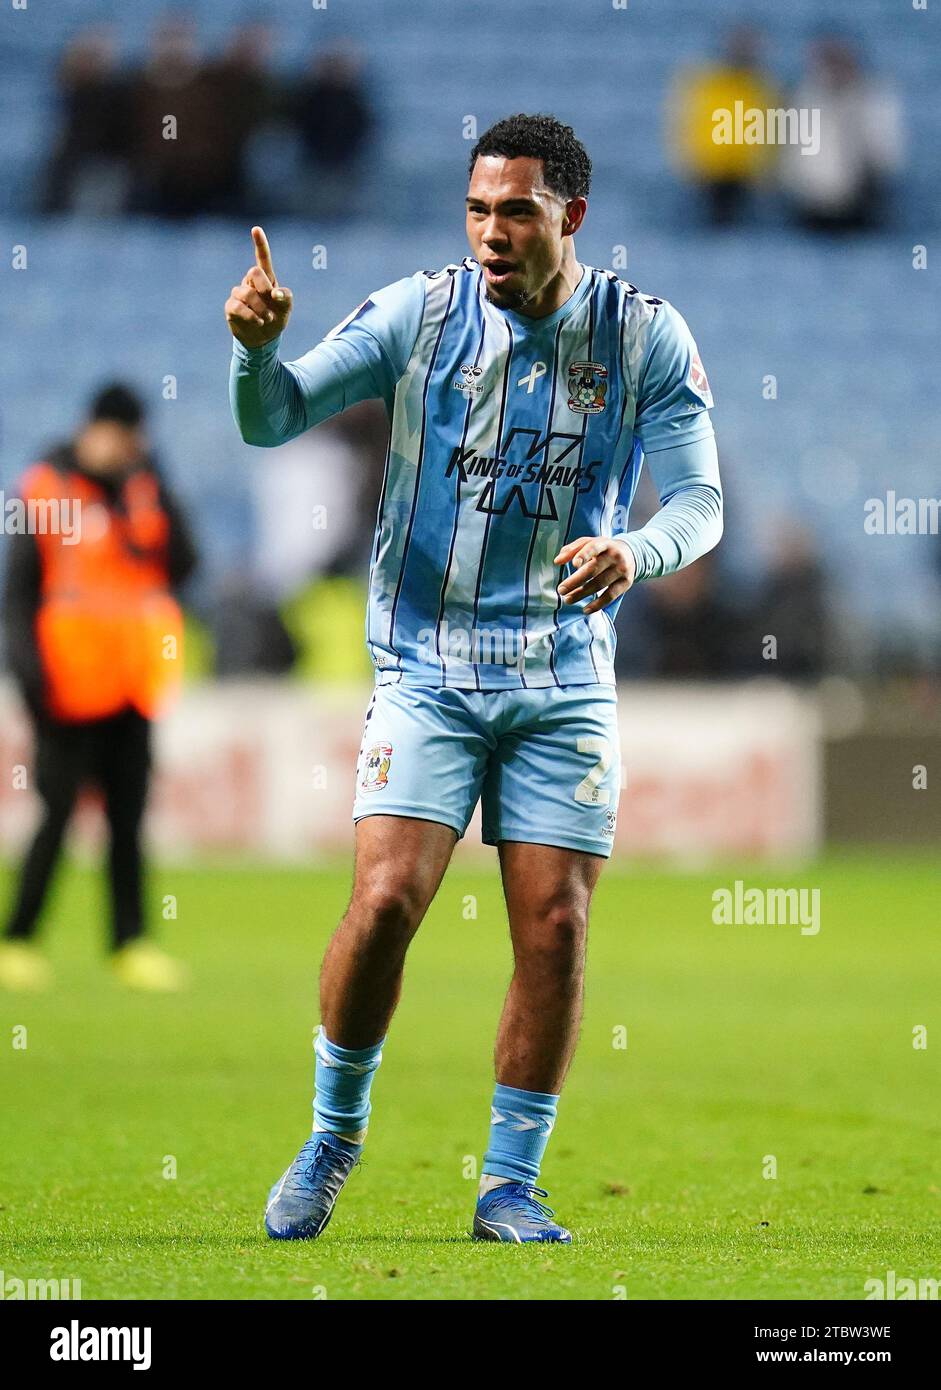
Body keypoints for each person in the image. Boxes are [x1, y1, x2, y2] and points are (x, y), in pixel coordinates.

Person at [227, 112, 723, 1243]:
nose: (490, 234)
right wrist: (254, 353)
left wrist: (632, 550)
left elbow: (700, 502)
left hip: (562, 672)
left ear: (570, 217)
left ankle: (507, 1183)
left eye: (515, 211)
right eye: (476, 209)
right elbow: (272, 419)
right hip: (425, 666)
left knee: (552, 928)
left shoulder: (641, 336)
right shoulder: (419, 314)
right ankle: (333, 1132)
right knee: (386, 899)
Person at [0, 385, 197, 993]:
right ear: (94, 429)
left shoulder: (144, 490)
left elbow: (186, 565)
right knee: (56, 816)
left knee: (129, 821)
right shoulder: (43, 489)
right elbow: (19, 596)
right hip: (65, 690)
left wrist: (157, 480)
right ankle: (18, 941)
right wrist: (33, 681)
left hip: (131, 686)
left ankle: (130, 943)